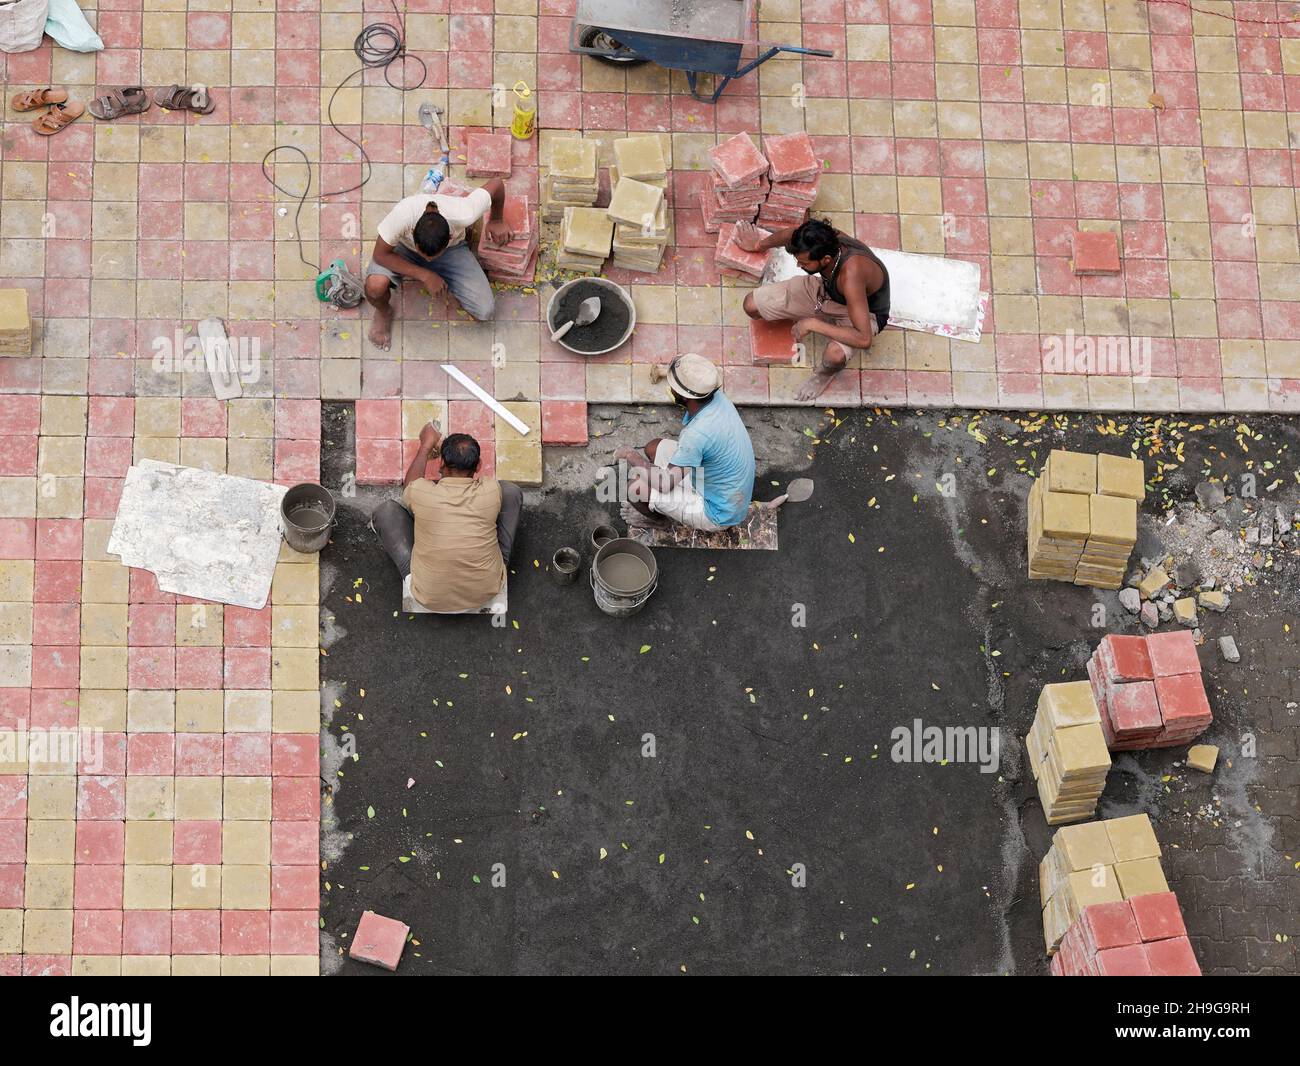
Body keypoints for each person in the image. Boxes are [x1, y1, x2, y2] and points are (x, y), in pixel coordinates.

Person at [371, 424, 523, 612]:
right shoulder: (491, 491)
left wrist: (425, 447)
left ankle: (417, 580)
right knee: (511, 491)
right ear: (478, 466)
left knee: (386, 512)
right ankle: (501, 565)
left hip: (428, 595)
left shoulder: (421, 493)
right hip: (486, 589)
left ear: (441, 462)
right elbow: (504, 491)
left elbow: (410, 485)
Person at [737, 217, 890, 402]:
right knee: (751, 305)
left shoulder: (851, 275)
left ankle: (824, 375)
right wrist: (758, 245)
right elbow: (789, 235)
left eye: (804, 263)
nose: (799, 266)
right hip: (826, 292)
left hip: (863, 312)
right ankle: (818, 315)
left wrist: (812, 324)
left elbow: (864, 339)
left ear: (825, 260)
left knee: (835, 355)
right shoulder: (817, 239)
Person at [364, 177, 514, 350]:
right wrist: (425, 275)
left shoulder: (464, 212)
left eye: (432, 258)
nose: (428, 261)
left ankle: (447, 267)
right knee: (375, 287)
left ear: (450, 237)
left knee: (484, 310)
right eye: (424, 256)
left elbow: (497, 184)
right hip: (406, 250)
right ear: (413, 232)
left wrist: (496, 220)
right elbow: (380, 255)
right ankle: (384, 311)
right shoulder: (403, 215)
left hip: (452, 252)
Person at [614, 354, 756, 532]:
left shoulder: (696, 434)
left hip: (719, 512)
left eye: (673, 387)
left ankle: (659, 522)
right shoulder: (717, 398)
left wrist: (630, 455)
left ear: (685, 397)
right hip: (724, 484)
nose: (670, 389)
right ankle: (661, 501)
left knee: (635, 487)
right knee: (653, 448)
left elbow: (665, 484)